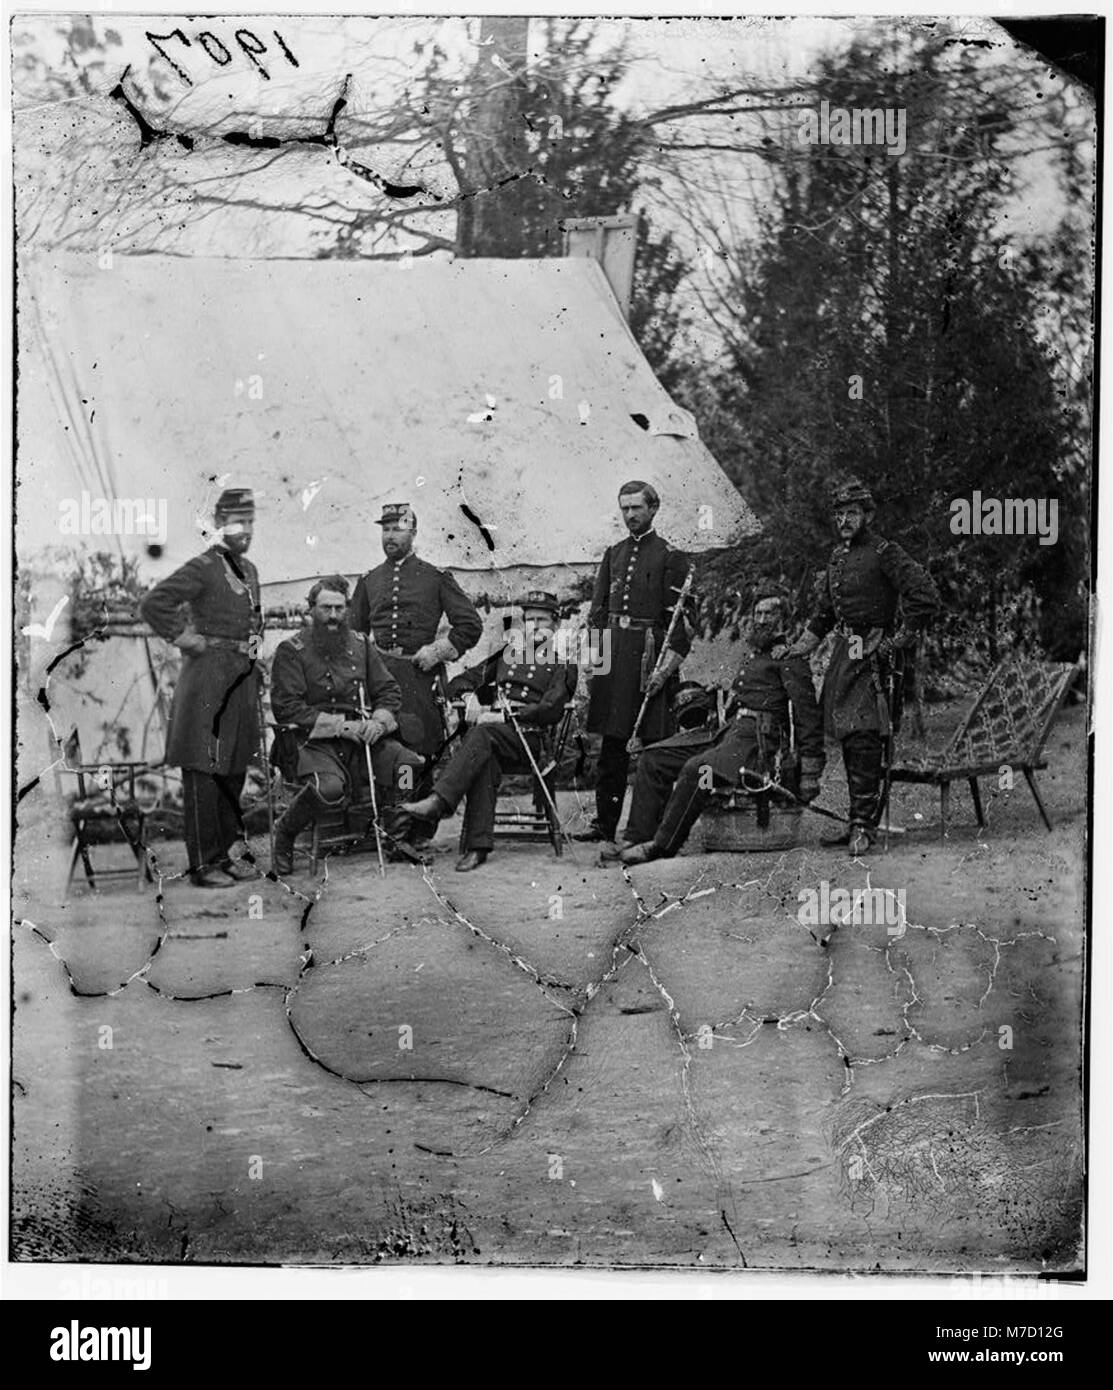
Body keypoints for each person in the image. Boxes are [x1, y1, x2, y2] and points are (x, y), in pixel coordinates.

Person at [789, 477, 940, 856]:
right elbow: (825, 611)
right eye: (839, 514)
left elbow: (924, 597)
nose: (844, 520)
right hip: (845, 651)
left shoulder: (885, 552)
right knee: (846, 734)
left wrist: (896, 641)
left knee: (865, 735)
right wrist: (802, 646)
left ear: (867, 515)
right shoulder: (837, 557)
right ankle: (858, 819)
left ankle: (863, 826)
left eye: (851, 513)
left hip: (874, 655)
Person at [620, 585, 825, 864]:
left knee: (698, 769)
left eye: (771, 614)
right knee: (654, 757)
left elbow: (807, 714)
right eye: (758, 613)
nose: (762, 620)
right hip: (728, 734)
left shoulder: (789, 659)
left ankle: (662, 845)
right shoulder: (754, 654)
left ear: (784, 620)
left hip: (756, 744)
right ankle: (638, 835)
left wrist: (810, 770)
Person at [397, 592, 578, 871]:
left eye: (542, 620)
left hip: (529, 740)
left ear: (555, 625)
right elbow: (461, 681)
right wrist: (470, 697)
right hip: (495, 738)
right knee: (483, 755)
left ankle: (439, 802)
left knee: (480, 735)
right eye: (529, 620)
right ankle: (478, 848)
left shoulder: (563, 661)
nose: (534, 627)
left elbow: (551, 708)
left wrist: (504, 714)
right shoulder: (508, 654)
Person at [139, 487, 263, 888]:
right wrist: (182, 637)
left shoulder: (253, 571)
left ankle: (224, 854)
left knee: (234, 769)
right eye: (235, 523)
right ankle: (202, 865)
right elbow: (154, 603)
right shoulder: (203, 567)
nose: (244, 531)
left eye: (249, 522)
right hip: (207, 679)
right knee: (204, 771)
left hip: (241, 681)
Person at [269, 576, 425, 876]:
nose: (333, 616)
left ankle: (397, 836)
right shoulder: (292, 650)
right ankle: (285, 833)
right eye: (325, 608)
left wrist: (379, 721)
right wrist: (341, 727)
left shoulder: (360, 645)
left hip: (361, 740)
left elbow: (388, 691)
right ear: (311, 609)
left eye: (339, 609)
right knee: (328, 788)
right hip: (311, 742)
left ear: (347, 610)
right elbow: (286, 708)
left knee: (406, 765)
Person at [576, 481, 691, 854]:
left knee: (653, 749)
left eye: (636, 508)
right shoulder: (613, 554)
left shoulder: (671, 557)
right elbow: (597, 614)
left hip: (648, 657)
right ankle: (605, 826)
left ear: (653, 510)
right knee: (612, 747)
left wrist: (666, 668)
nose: (629, 515)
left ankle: (649, 832)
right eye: (624, 508)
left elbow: (682, 624)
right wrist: (594, 664)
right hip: (614, 657)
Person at [349, 501, 482, 764]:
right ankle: (395, 801)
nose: (390, 535)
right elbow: (354, 635)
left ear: (414, 533)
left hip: (420, 678)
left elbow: (470, 625)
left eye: (398, 529)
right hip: (380, 678)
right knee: (385, 747)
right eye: (385, 529)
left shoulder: (436, 577)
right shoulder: (368, 580)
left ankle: (415, 800)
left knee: (419, 745)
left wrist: (438, 651)